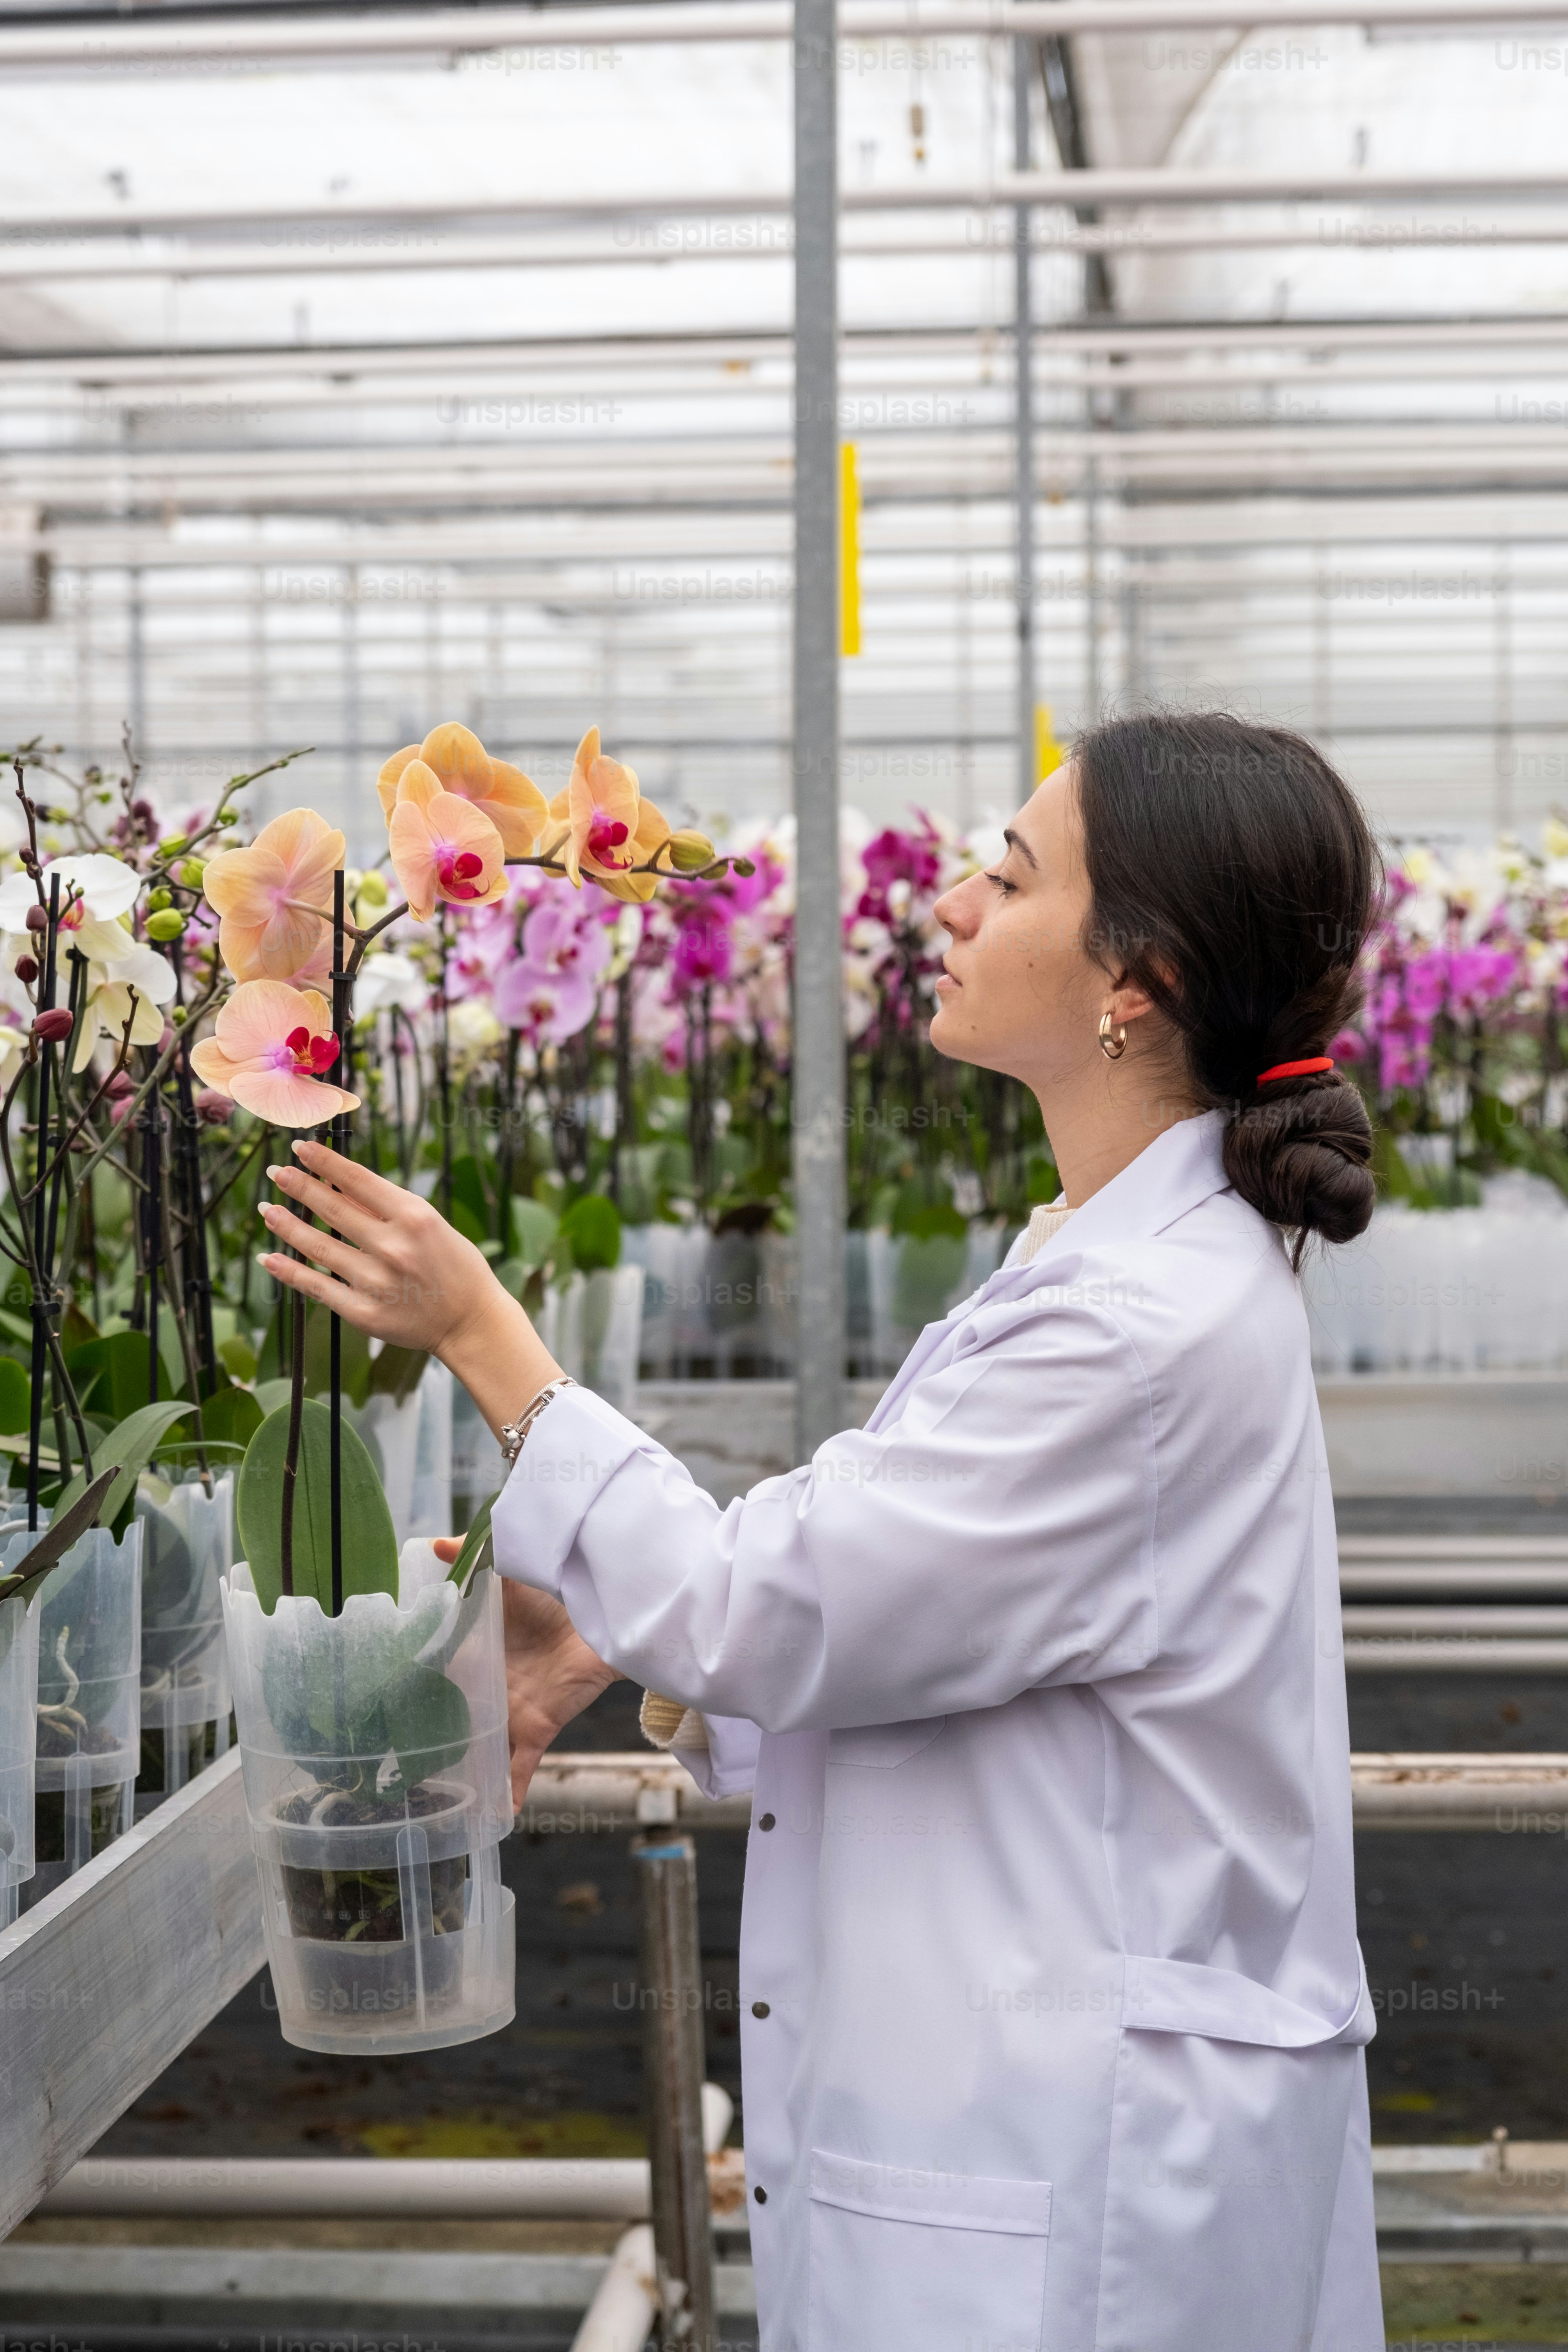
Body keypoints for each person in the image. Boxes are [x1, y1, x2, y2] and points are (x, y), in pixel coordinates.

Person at [257, 711, 1385, 2352]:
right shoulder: (1114, 1266)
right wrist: (596, 1643)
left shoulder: (1134, 1328)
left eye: (1002, 878)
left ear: (1129, 982)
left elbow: (762, 1607)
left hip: (1077, 2175)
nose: (944, 906)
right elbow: (910, 1596)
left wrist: (485, 1339)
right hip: (1048, 2111)